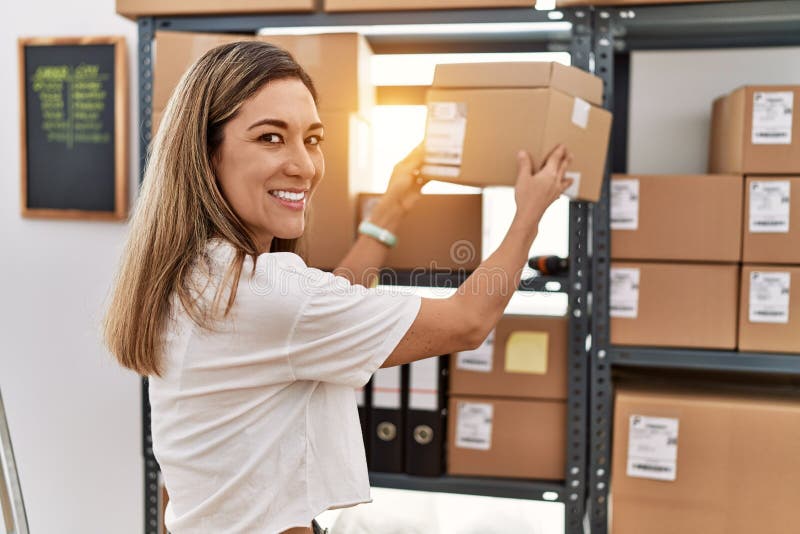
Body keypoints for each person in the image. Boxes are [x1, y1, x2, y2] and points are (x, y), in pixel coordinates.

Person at [102, 41, 573, 534]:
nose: (304, 165)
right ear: (205, 152)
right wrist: (529, 214)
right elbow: (466, 323)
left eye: (312, 139)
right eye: (270, 138)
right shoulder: (262, 292)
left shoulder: (193, 273)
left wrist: (392, 207)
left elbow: (322, 308)